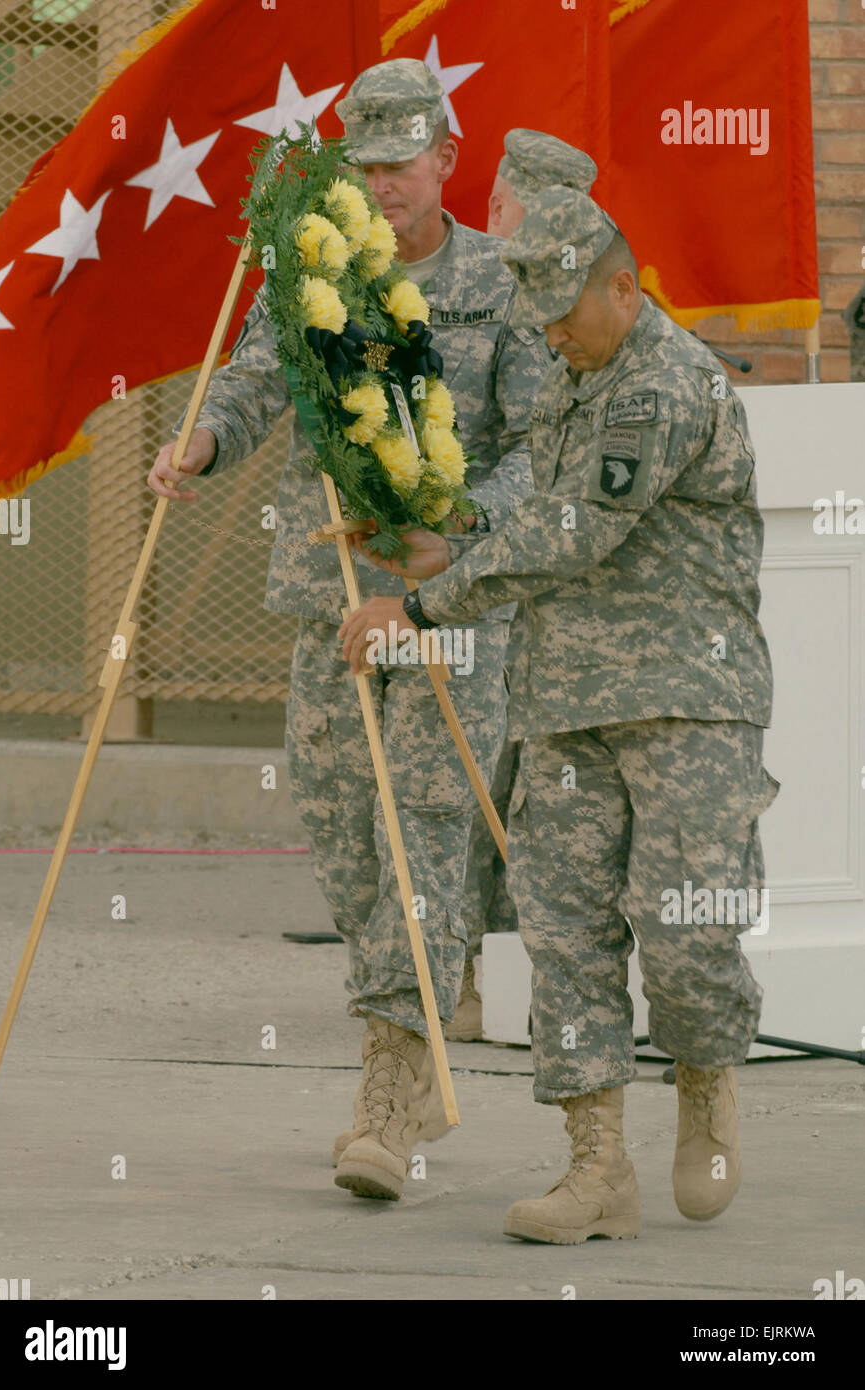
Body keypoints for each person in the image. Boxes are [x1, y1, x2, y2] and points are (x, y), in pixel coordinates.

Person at [340, 186, 780, 1243]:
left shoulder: (662, 383)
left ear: (621, 289)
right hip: (564, 701)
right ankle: (595, 1171)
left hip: (685, 702)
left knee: (684, 933)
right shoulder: (576, 381)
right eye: (531, 315)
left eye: (561, 314)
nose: (546, 336)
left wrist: (429, 603)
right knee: (566, 934)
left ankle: (706, 1076)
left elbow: (577, 527)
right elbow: (533, 495)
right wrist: (444, 534)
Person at [146, 58, 551, 1202]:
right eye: (362, 164)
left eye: (399, 161)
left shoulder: (503, 284)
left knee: (421, 832)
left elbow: (536, 448)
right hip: (329, 604)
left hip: (445, 607)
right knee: (339, 832)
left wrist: (459, 529)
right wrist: (203, 445)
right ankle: (419, 991)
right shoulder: (316, 266)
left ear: (446, 159)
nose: (381, 183)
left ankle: (389, 1080)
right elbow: (255, 378)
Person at [449, 129, 602, 1045]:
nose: (507, 220)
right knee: (474, 785)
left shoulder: (590, 306)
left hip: (559, 596)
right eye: (509, 202)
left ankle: (531, 977)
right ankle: (465, 972)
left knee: (545, 798)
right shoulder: (470, 290)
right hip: (476, 577)